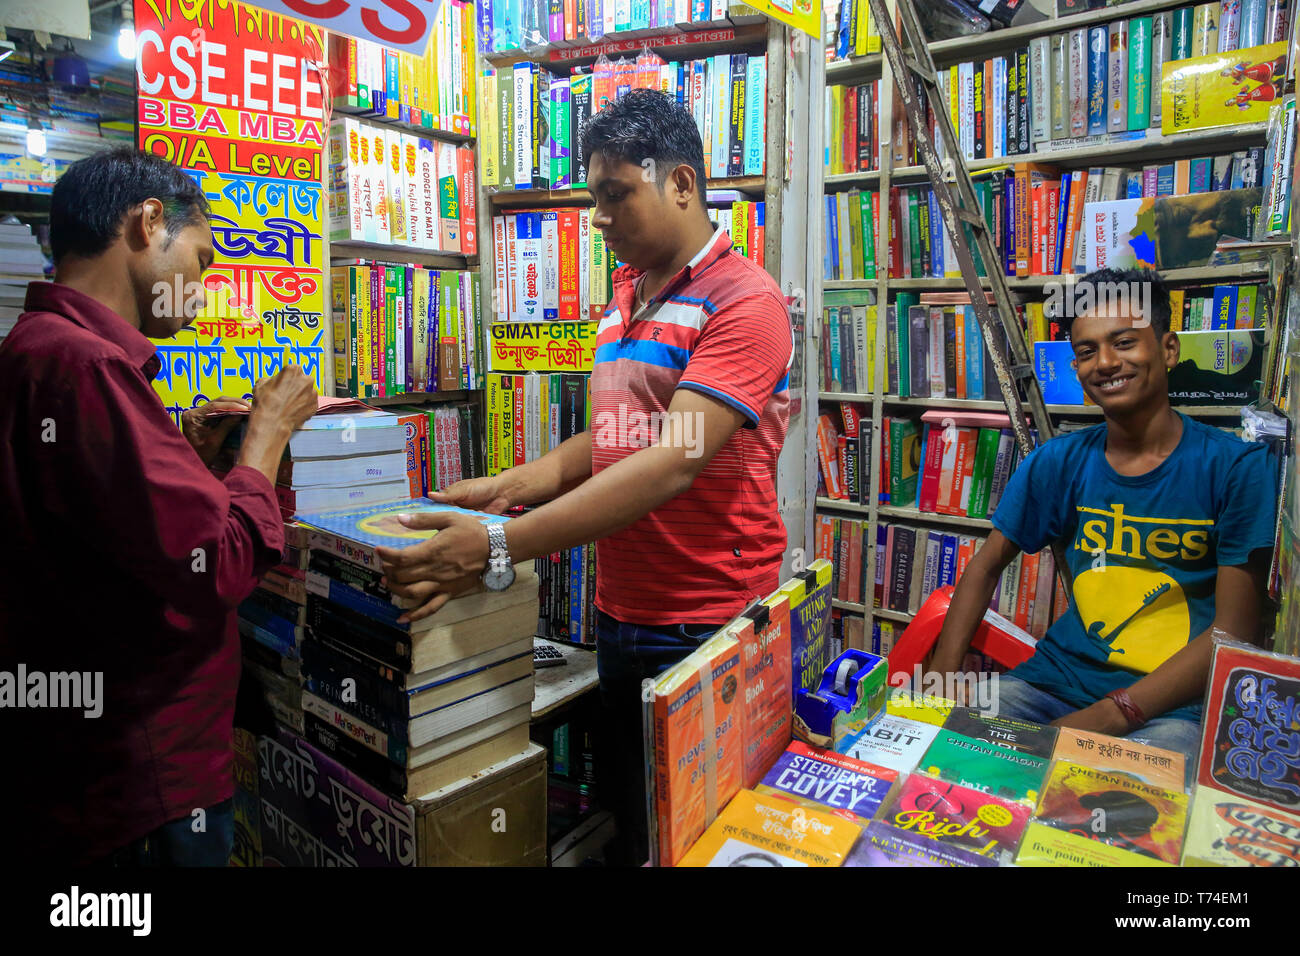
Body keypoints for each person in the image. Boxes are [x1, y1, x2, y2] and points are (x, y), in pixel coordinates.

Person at [376, 89, 794, 863]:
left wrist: (500, 544)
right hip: (624, 611)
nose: (598, 219)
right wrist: (512, 483)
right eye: (593, 197)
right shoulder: (628, 297)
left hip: (707, 622)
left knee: (705, 838)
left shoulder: (747, 301)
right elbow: (613, 434)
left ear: (681, 185)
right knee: (638, 822)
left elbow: (674, 457)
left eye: (614, 196)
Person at [0, 148, 318, 865]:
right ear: (148, 224)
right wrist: (263, 441)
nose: (199, 291)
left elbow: (108, 537)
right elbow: (216, 565)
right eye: (201, 262)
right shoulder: (89, 366)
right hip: (141, 785)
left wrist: (197, 462)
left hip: (81, 772)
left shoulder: (34, 348)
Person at [929, 267, 1276, 784]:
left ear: (1170, 349)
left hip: (1173, 711)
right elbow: (983, 568)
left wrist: (1107, 717)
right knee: (946, 768)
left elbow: (1235, 634)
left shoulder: (1237, 468)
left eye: (1124, 342)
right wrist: (939, 683)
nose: (1106, 363)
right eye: (1087, 351)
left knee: (1119, 816)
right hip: (1050, 687)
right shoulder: (1058, 462)